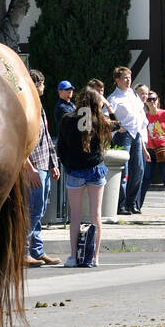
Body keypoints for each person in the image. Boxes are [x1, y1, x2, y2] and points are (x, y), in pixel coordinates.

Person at [56, 86, 113, 267]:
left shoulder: (67, 119)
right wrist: (107, 107)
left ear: (79, 100)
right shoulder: (100, 120)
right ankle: (95, 256)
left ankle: (73, 256)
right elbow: (118, 126)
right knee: (96, 215)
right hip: (95, 168)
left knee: (76, 215)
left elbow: (61, 147)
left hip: (75, 170)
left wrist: (68, 163)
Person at [24, 70, 62, 266]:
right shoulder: (25, 107)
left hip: (44, 164)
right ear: (35, 84)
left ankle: (37, 250)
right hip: (34, 168)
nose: (44, 87)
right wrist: (29, 169)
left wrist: (53, 164)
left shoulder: (38, 107)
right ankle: (23, 253)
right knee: (32, 210)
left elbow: (46, 138)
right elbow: (20, 142)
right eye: (42, 84)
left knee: (39, 209)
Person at [107, 66, 149, 214]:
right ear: (117, 80)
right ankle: (121, 204)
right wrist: (117, 128)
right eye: (125, 78)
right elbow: (106, 117)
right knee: (123, 171)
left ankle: (131, 203)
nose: (128, 80)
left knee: (138, 169)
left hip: (136, 134)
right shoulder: (113, 98)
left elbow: (140, 112)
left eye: (129, 77)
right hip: (123, 135)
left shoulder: (132, 94)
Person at [140, 91, 165, 213]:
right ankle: (137, 207)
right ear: (146, 103)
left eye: (154, 99)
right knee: (146, 178)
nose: (152, 102)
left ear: (158, 100)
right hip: (150, 150)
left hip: (163, 149)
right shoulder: (145, 116)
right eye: (149, 100)